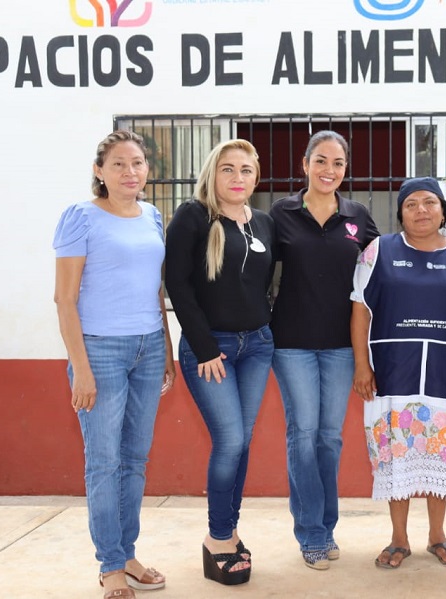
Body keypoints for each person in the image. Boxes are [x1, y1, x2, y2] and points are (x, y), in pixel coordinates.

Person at [53, 130, 175, 599]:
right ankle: (109, 566)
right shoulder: (80, 217)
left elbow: (155, 289)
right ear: (99, 171)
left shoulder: (151, 215)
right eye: (119, 164)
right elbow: (65, 299)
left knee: (135, 460)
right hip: (99, 351)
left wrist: (163, 346)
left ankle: (127, 553)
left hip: (147, 348)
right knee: (104, 463)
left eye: (138, 163)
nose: (130, 172)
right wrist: (81, 369)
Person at [350, 177, 446, 569]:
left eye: (429, 203)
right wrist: (362, 365)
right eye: (411, 204)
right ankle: (398, 538)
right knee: (396, 456)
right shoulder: (378, 251)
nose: (421, 210)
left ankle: (437, 535)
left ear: (444, 210)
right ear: (400, 213)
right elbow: (360, 309)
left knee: (440, 454)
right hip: (393, 375)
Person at [165, 140, 276, 585]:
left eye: (246, 170)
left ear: (255, 177)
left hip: (259, 346)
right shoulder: (193, 216)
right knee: (230, 440)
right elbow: (177, 283)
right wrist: (206, 346)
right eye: (228, 169)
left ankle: (229, 532)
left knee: (243, 441)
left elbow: (262, 285)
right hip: (211, 349)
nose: (237, 177)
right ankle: (218, 537)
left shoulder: (263, 222)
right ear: (213, 173)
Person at [268, 130, 380, 570]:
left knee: (328, 439)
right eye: (320, 161)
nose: (328, 170)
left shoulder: (358, 216)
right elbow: (256, 270)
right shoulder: (281, 213)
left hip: (340, 346)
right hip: (291, 343)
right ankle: (311, 532)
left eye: (337, 163)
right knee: (303, 435)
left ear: (345, 169)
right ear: (305, 165)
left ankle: (326, 526)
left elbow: (381, 267)